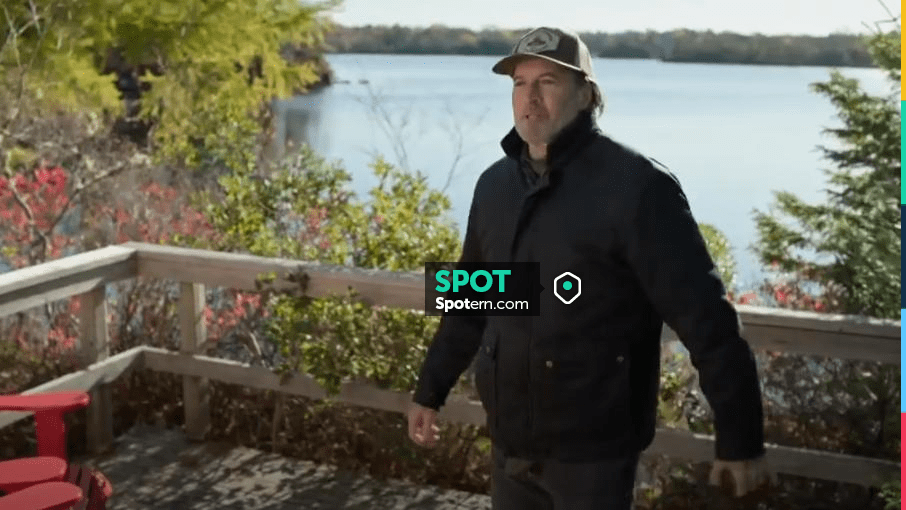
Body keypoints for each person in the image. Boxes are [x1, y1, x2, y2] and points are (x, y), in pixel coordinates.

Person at [407, 26, 773, 509]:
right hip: (510, 444)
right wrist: (429, 390)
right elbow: (472, 301)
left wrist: (740, 439)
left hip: (594, 457)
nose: (529, 99)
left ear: (586, 94)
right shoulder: (494, 186)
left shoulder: (638, 187)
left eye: (548, 83)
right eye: (519, 83)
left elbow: (707, 321)